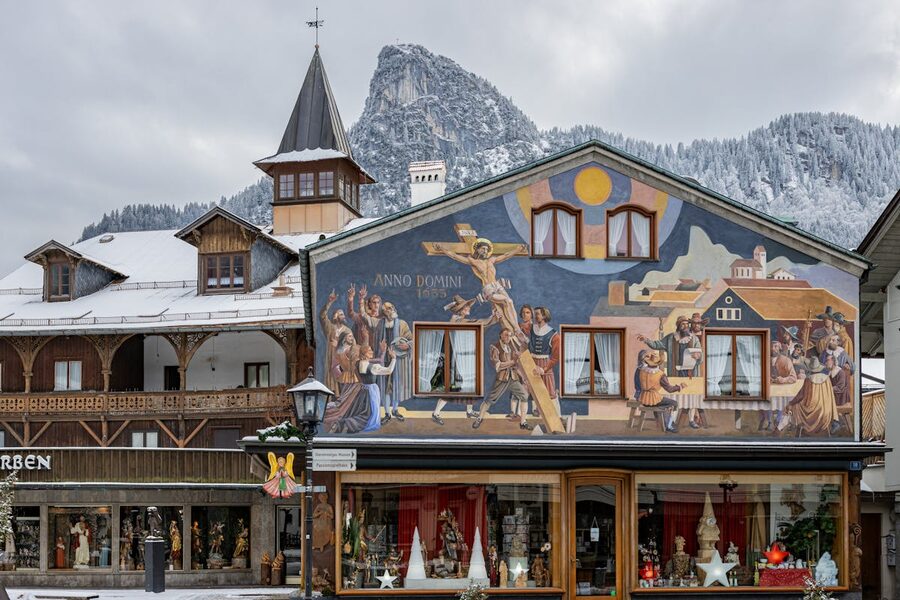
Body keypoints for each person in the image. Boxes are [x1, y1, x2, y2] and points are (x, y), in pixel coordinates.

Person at [431, 238, 526, 340]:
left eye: (486, 249)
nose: (485, 251)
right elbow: (454, 256)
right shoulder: (473, 261)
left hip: (498, 285)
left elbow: (505, 256)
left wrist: (517, 250)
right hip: (488, 288)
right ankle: (516, 329)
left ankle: (517, 329)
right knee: (506, 300)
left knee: (510, 302)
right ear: (477, 249)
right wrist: (442, 248)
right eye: (483, 249)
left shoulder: (491, 260)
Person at [325, 342, 396, 434]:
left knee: (362, 411)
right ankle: (347, 423)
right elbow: (389, 371)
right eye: (369, 350)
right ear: (364, 353)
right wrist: (394, 358)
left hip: (362, 390)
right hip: (371, 391)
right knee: (369, 415)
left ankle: (343, 423)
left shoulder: (357, 364)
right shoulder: (373, 367)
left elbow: (359, 378)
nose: (372, 352)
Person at [473, 329, 532, 431]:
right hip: (502, 378)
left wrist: (523, 377)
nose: (508, 338)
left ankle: (523, 422)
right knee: (490, 399)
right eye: (506, 335)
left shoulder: (511, 347)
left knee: (524, 396)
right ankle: (479, 418)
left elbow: (516, 366)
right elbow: (498, 366)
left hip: (513, 377)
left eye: (509, 336)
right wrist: (513, 361)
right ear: (500, 335)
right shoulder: (495, 347)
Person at [784, 356, 839, 435]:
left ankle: (796, 427)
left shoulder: (808, 379)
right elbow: (831, 397)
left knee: (795, 405)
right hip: (826, 411)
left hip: (812, 411)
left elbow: (800, 396)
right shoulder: (827, 378)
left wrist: (791, 403)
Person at [523, 306, 561, 417]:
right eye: (534, 314)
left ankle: (557, 418)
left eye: (537, 314)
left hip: (544, 364)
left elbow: (555, 358)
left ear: (544, 316)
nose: (535, 316)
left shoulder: (554, 335)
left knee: (550, 393)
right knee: (529, 389)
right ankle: (534, 413)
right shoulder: (531, 328)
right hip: (531, 363)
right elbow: (515, 327)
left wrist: (544, 369)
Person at [637, 350, 686, 433]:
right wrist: (679, 387)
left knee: (664, 401)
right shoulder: (660, 374)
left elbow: (638, 385)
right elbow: (669, 389)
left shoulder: (641, 371)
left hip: (643, 399)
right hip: (654, 400)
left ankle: (663, 417)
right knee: (674, 403)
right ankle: (669, 425)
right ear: (658, 364)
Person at [320, 289, 351, 393]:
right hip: (332, 358)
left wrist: (338, 344)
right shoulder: (330, 328)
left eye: (343, 314)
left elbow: (352, 346)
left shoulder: (347, 330)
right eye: (341, 314)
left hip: (343, 360)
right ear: (335, 316)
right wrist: (329, 302)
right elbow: (322, 316)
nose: (344, 316)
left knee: (343, 382)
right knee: (332, 385)